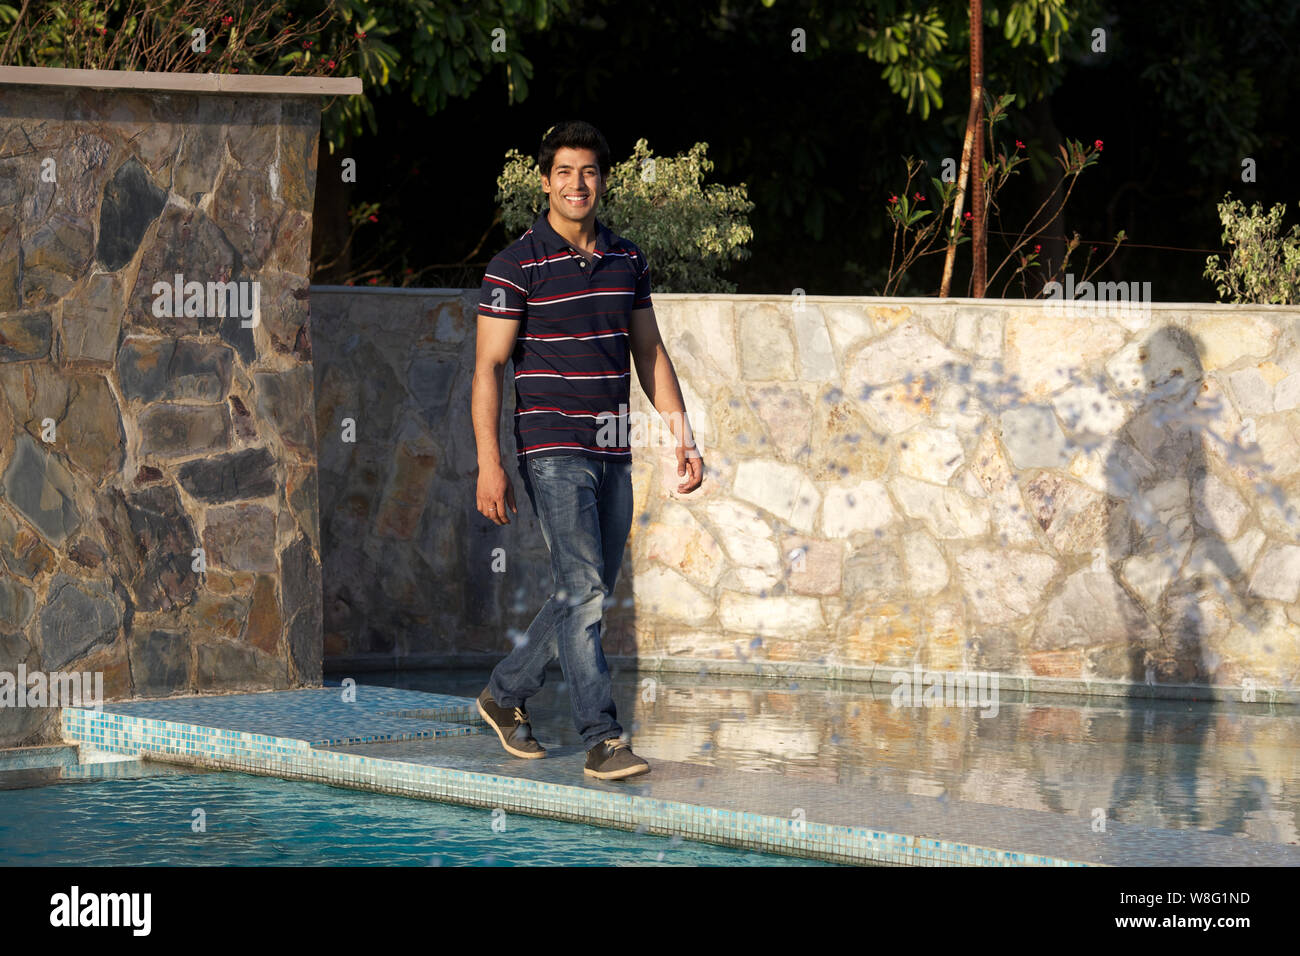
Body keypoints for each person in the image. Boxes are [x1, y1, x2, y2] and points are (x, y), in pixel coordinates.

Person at [471, 120, 704, 780]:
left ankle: (505, 693)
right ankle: (602, 737)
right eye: (565, 172)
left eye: (590, 172)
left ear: (603, 180)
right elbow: (488, 367)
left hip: (611, 449)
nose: (578, 184)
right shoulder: (515, 266)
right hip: (550, 449)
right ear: (545, 182)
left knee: (584, 591)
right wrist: (490, 462)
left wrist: (682, 437)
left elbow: (649, 351)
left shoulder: (627, 260)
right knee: (583, 588)